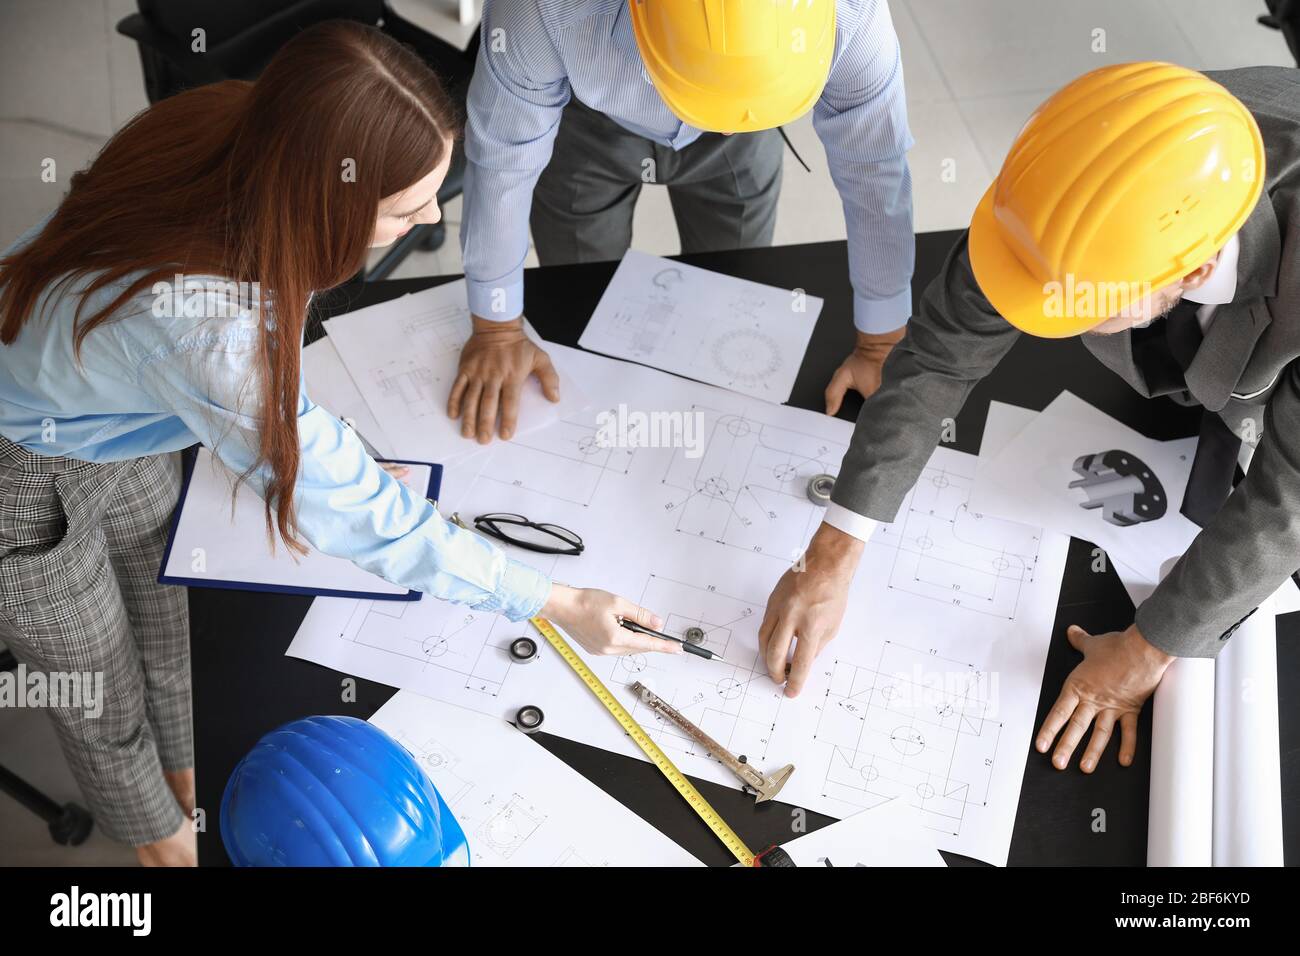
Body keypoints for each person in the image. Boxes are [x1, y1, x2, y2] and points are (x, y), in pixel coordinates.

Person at [0, 21, 676, 868]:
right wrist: (558, 601)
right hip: (20, 472)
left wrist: (303, 440)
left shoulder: (241, 123)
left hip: (113, 413)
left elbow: (243, 367)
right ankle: (155, 833)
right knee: (95, 679)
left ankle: (180, 767)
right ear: (328, 195)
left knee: (164, 605)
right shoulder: (204, 326)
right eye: (406, 206)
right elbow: (350, 504)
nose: (433, 216)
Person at [759, 62, 1300, 776]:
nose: (1047, 307)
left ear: (1195, 269)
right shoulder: (1082, 182)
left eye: (1075, 300)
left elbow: (1285, 497)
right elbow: (939, 359)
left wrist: (1146, 651)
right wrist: (829, 555)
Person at [449, 0, 915, 443]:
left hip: (748, 142)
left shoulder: (852, 13)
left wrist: (882, 341)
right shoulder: (545, 10)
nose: (728, 122)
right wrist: (497, 327)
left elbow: (873, 167)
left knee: (733, 304)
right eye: (714, 99)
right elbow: (504, 159)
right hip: (584, 125)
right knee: (582, 304)